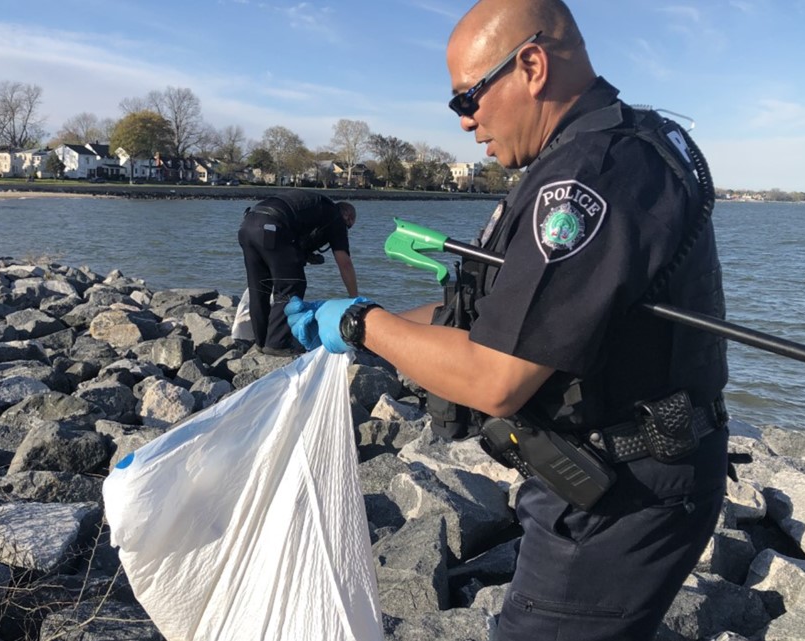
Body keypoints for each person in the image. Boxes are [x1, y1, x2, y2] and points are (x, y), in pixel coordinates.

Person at [286, 1, 729, 639]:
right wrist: (357, 334)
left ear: (531, 65)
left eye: (466, 97)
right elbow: (493, 319)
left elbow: (496, 376)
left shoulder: (587, 183)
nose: (466, 122)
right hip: (613, 481)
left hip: (621, 498)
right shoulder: (613, 146)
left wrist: (361, 323)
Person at [238, 189, 358, 356]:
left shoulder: (315, 208)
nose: (345, 230)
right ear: (348, 217)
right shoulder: (335, 217)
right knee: (292, 285)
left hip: (248, 225)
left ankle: (261, 341)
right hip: (273, 227)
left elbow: (294, 231)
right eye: (348, 226)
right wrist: (354, 298)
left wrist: (304, 255)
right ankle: (277, 343)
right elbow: (344, 262)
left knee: (260, 288)